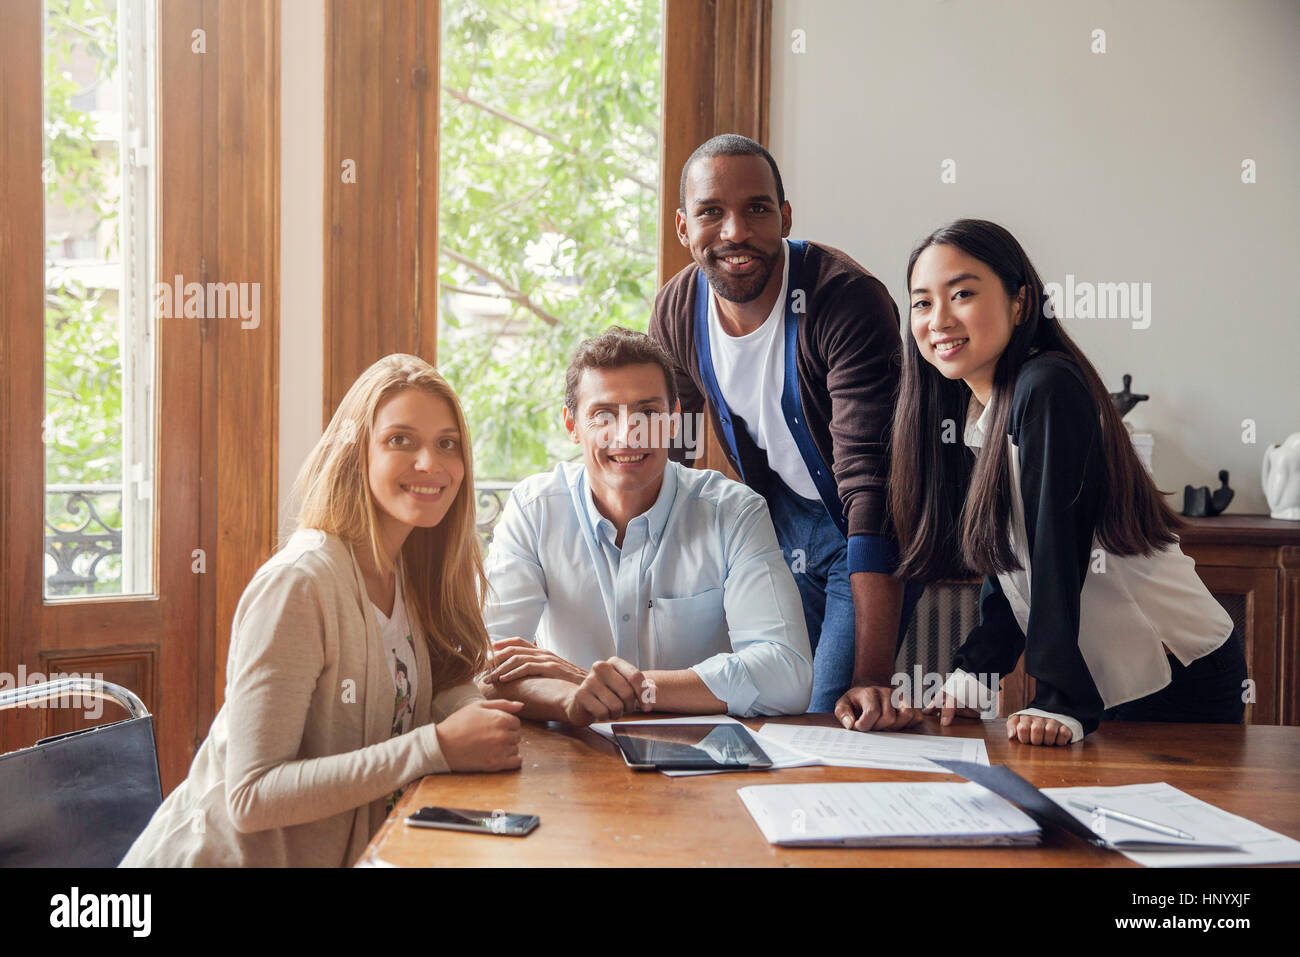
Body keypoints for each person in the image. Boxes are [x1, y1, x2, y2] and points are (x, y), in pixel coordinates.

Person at [120, 355, 523, 866]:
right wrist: (437, 747)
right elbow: (251, 796)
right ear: (357, 453)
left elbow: (432, 685)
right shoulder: (299, 584)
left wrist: (477, 714)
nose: (431, 463)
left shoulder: (407, 571)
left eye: (447, 443)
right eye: (400, 440)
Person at [894, 219, 1247, 745]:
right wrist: (978, 673)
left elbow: (1057, 549)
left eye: (962, 293)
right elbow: (1014, 563)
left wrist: (1058, 698)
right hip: (1114, 678)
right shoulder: (978, 414)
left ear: (1020, 302)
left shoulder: (1048, 386)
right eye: (922, 303)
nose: (938, 319)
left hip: (1174, 668)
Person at [649, 133, 922, 729]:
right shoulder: (676, 310)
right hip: (778, 523)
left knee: (831, 714)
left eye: (757, 209)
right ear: (682, 226)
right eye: (711, 212)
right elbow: (677, 452)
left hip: (866, 526)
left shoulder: (845, 300)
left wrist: (872, 678)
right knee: (771, 703)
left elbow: (869, 485)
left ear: (785, 215)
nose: (735, 233)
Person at [480, 327, 813, 723]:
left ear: (674, 421)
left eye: (648, 413)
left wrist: (607, 686)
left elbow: (787, 676)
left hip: (702, 759)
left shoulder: (734, 512)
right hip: (572, 755)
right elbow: (487, 666)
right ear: (572, 426)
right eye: (603, 415)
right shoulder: (534, 510)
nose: (628, 434)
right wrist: (573, 699)